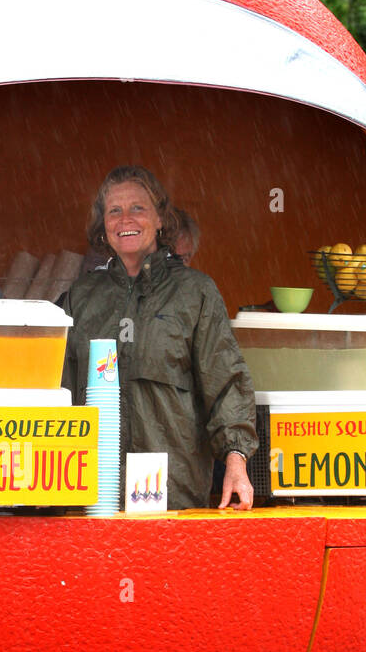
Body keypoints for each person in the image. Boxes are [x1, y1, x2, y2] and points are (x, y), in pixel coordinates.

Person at [60, 166, 257, 510]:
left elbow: (226, 381)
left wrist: (236, 461)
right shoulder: (82, 297)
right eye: (114, 211)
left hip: (172, 497)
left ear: (161, 218)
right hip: (91, 500)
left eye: (138, 208)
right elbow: (54, 391)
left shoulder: (194, 292)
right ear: (102, 225)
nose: (125, 220)